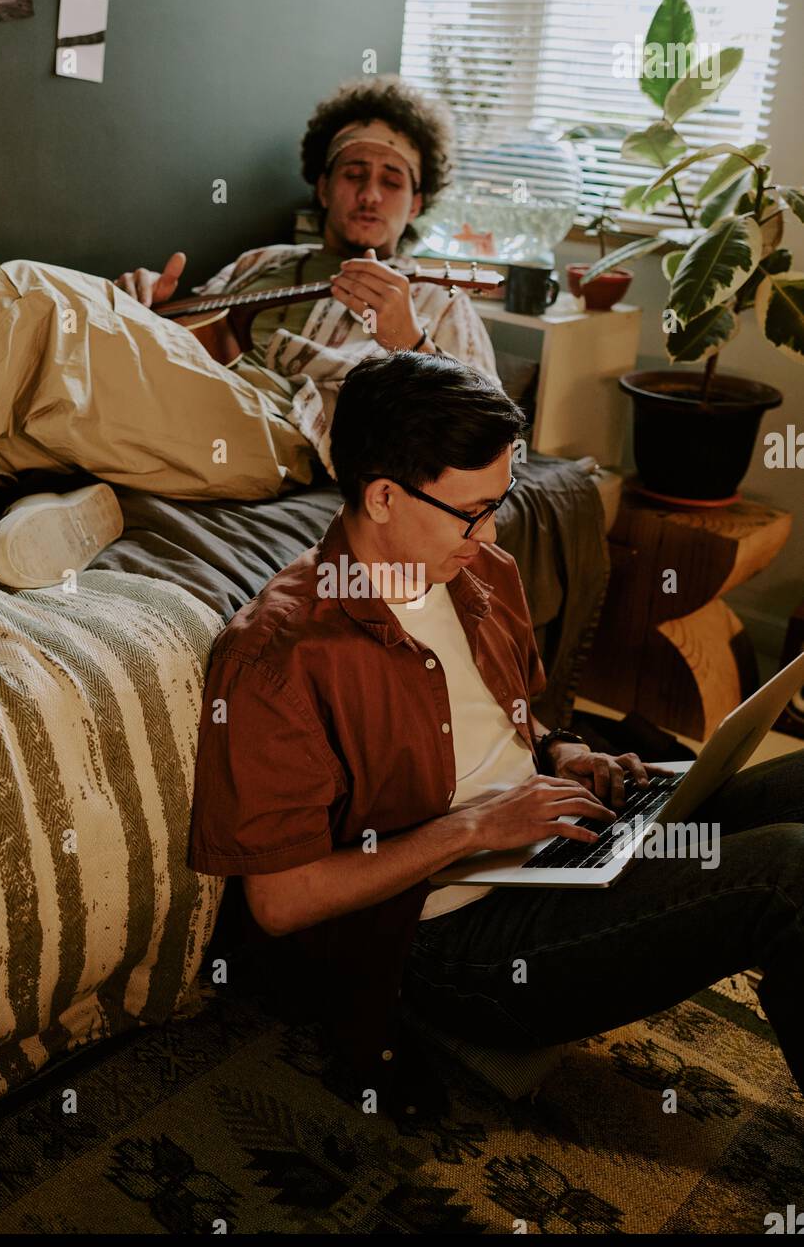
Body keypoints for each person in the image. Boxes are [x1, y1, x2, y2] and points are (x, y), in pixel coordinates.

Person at [188, 349, 804, 1118]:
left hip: (552, 845)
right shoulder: (278, 657)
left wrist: (564, 751)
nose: (489, 528)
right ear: (383, 496)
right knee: (785, 873)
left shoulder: (479, 570)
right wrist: (476, 826)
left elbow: (512, 718)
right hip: (448, 937)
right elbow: (279, 902)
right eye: (472, 510)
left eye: (500, 501)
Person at [0, 75, 496, 588]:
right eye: (353, 175)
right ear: (324, 188)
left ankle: (7, 501)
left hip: (274, 432)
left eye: (391, 180)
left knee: (28, 294)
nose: (370, 193)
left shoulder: (436, 295)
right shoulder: (264, 262)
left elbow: (489, 434)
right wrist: (148, 311)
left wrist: (409, 342)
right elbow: (186, 345)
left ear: (417, 201)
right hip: (197, 402)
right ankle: (14, 509)